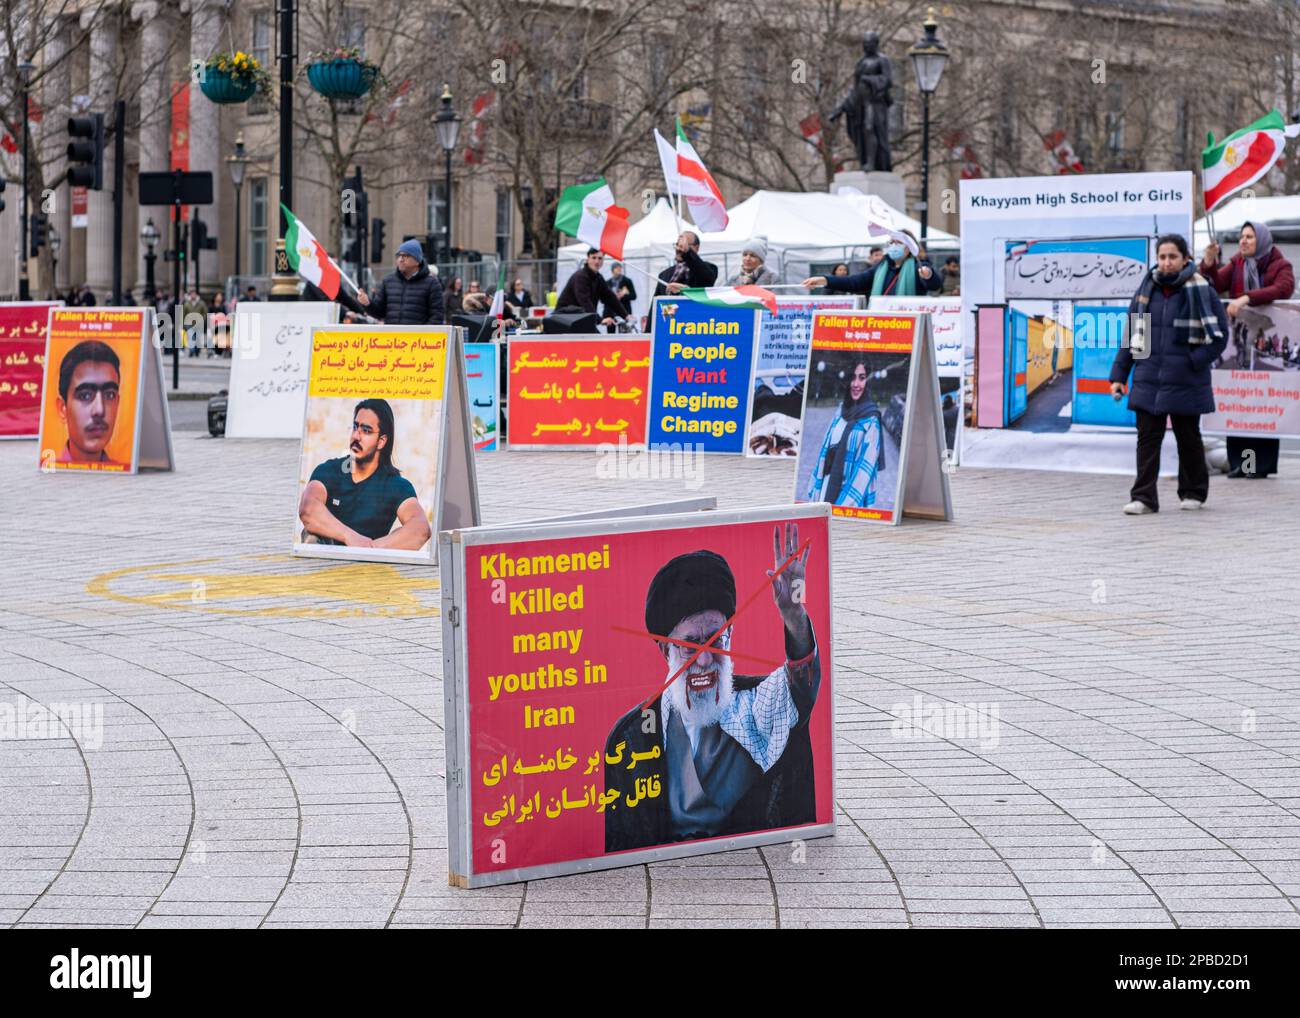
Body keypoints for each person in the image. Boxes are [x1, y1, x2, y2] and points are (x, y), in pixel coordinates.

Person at [604, 525, 821, 852]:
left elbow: (800, 684)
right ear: (666, 651)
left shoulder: (758, 705)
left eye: (716, 641)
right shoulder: (630, 737)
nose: (705, 660)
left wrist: (793, 616)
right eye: (690, 646)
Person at [1110, 234, 1228, 515]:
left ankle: (1193, 492)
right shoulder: (1145, 290)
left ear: (1185, 258)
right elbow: (1132, 337)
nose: (1166, 262)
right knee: (1147, 440)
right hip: (1149, 378)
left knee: (1188, 438)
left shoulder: (1202, 289)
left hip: (1187, 379)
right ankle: (1144, 498)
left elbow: (1220, 337)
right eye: (1162, 257)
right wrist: (1119, 376)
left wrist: (1193, 360)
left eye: (1172, 257)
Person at [1200, 221, 1295, 478]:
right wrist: (1209, 262)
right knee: (1239, 407)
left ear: (1261, 240)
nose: (1243, 241)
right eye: (1242, 237)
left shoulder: (1279, 265)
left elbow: (1283, 288)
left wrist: (1247, 297)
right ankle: (1241, 464)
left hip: (1266, 345)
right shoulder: (1238, 263)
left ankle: (1258, 466)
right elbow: (1214, 284)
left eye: (1249, 237)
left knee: (1261, 406)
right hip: (1240, 346)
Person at [298, 398, 432, 550]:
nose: (356, 436)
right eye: (355, 427)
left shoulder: (395, 485)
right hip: (323, 564)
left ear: (381, 441)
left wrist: (370, 548)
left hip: (368, 567)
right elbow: (308, 509)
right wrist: (349, 537)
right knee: (311, 535)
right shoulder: (330, 471)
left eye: (366, 431)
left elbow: (421, 529)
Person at [806, 360, 884, 508]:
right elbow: (824, 450)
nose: (856, 384)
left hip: (849, 499)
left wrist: (842, 506)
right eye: (852, 378)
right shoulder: (841, 410)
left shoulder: (871, 421)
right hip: (827, 489)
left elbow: (863, 472)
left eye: (861, 378)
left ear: (868, 382)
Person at [802, 231, 940, 298]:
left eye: (898, 243)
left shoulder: (919, 267)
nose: (893, 246)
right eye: (891, 242)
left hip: (909, 327)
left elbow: (935, 285)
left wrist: (928, 276)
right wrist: (825, 280)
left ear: (910, 247)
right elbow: (855, 282)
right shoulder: (882, 266)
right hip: (882, 324)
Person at [54, 341, 122, 467]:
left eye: (109, 395)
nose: (99, 410)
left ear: (117, 403)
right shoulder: (52, 467)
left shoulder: (121, 469)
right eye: (85, 395)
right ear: (63, 409)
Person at [356, 239, 444, 325]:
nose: (400, 259)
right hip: (393, 338)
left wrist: (421, 336)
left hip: (418, 339)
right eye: (399, 256)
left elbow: (437, 317)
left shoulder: (432, 284)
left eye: (405, 256)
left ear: (417, 260)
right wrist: (367, 303)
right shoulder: (388, 281)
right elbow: (379, 312)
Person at [555, 248, 629, 325]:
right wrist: (600, 320)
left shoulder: (598, 278)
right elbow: (584, 301)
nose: (597, 261)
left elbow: (610, 297)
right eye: (594, 258)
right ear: (588, 259)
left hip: (580, 319)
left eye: (600, 258)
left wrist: (626, 315)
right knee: (597, 336)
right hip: (564, 319)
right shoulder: (581, 276)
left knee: (598, 336)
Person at [654, 230, 718, 297]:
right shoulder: (664, 275)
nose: (679, 248)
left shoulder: (709, 269)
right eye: (677, 244)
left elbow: (707, 280)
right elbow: (655, 304)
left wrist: (687, 252)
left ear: (696, 248)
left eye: (684, 244)